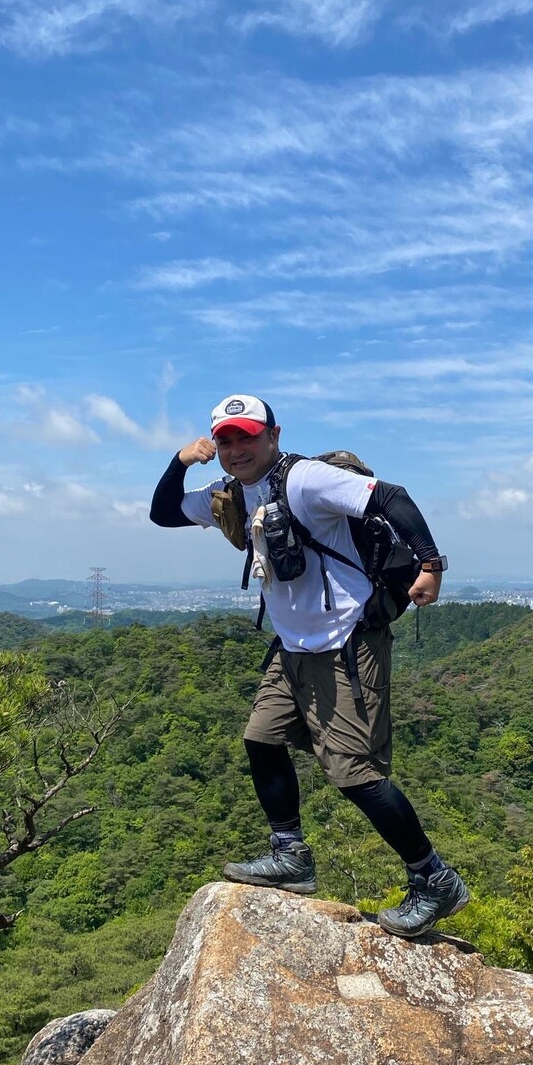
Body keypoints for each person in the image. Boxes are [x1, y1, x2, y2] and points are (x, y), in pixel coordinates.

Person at [149, 393, 469, 938]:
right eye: (225, 440)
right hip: (292, 645)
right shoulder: (231, 494)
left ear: (273, 435)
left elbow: (391, 496)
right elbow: (163, 513)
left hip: (346, 642)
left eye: (247, 436)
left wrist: (431, 564)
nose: (236, 449)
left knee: (355, 775)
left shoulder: (305, 480)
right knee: (261, 738)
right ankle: (290, 854)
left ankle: (434, 878)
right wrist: (180, 461)